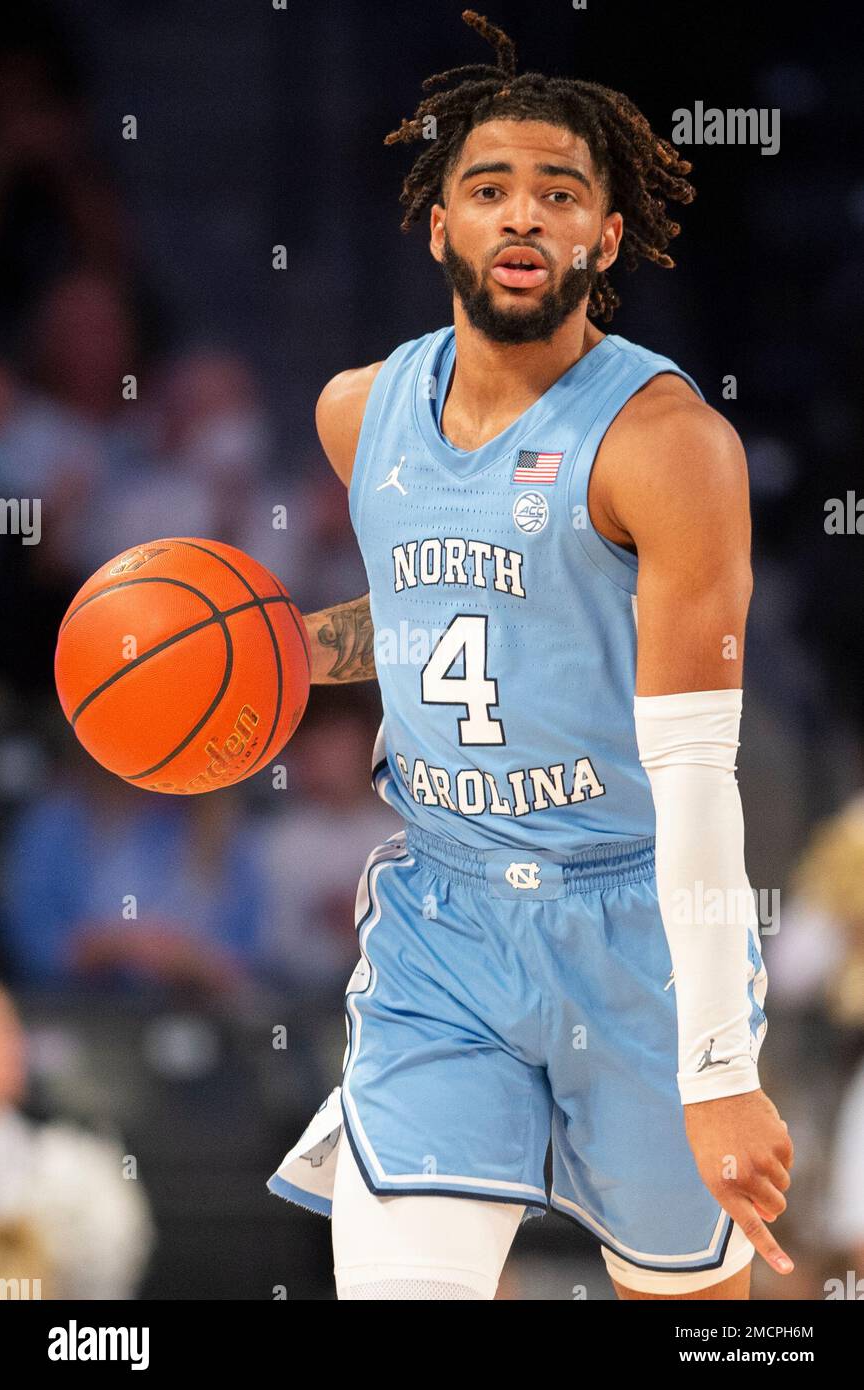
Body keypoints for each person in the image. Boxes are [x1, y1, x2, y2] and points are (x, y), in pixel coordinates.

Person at [267, 9, 793, 1301]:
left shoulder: (666, 446)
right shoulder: (358, 412)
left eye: (558, 193)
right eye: (487, 188)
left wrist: (719, 1071)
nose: (521, 217)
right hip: (445, 925)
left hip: (634, 927)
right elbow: (432, 624)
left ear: (605, 237)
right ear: (437, 222)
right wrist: (263, 663)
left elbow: (692, 778)